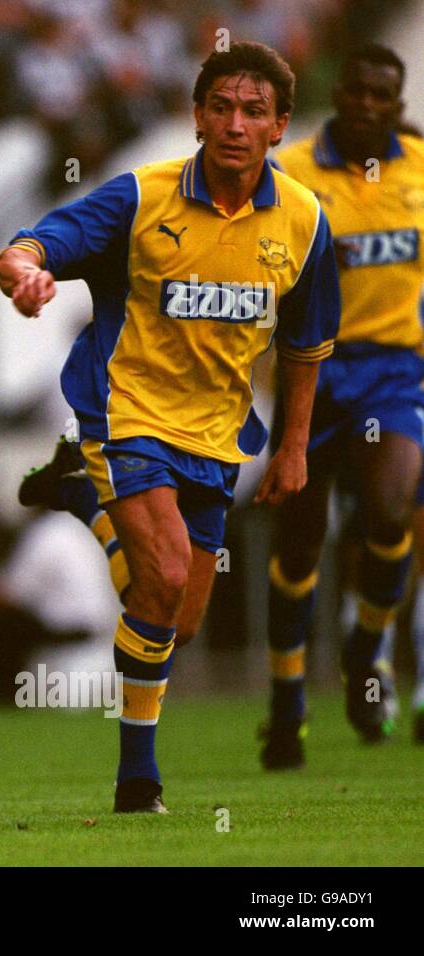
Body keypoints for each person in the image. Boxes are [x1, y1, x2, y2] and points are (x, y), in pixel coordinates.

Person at [0, 41, 339, 812]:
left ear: (281, 125)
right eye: (221, 107)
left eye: (255, 111)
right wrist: (25, 274)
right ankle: (137, 781)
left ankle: (86, 502)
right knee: (171, 573)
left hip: (217, 435)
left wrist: (293, 447)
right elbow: (30, 243)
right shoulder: (140, 198)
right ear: (195, 116)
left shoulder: (306, 222)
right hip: (126, 413)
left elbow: (307, 343)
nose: (235, 124)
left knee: (175, 619)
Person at [258, 46, 424, 763]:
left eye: (381, 95)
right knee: (298, 543)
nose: (364, 103)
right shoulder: (290, 170)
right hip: (310, 371)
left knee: (390, 513)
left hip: (392, 371)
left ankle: (365, 647)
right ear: (338, 90)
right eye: (355, 89)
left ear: (398, 103)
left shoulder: (419, 169)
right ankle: (287, 700)